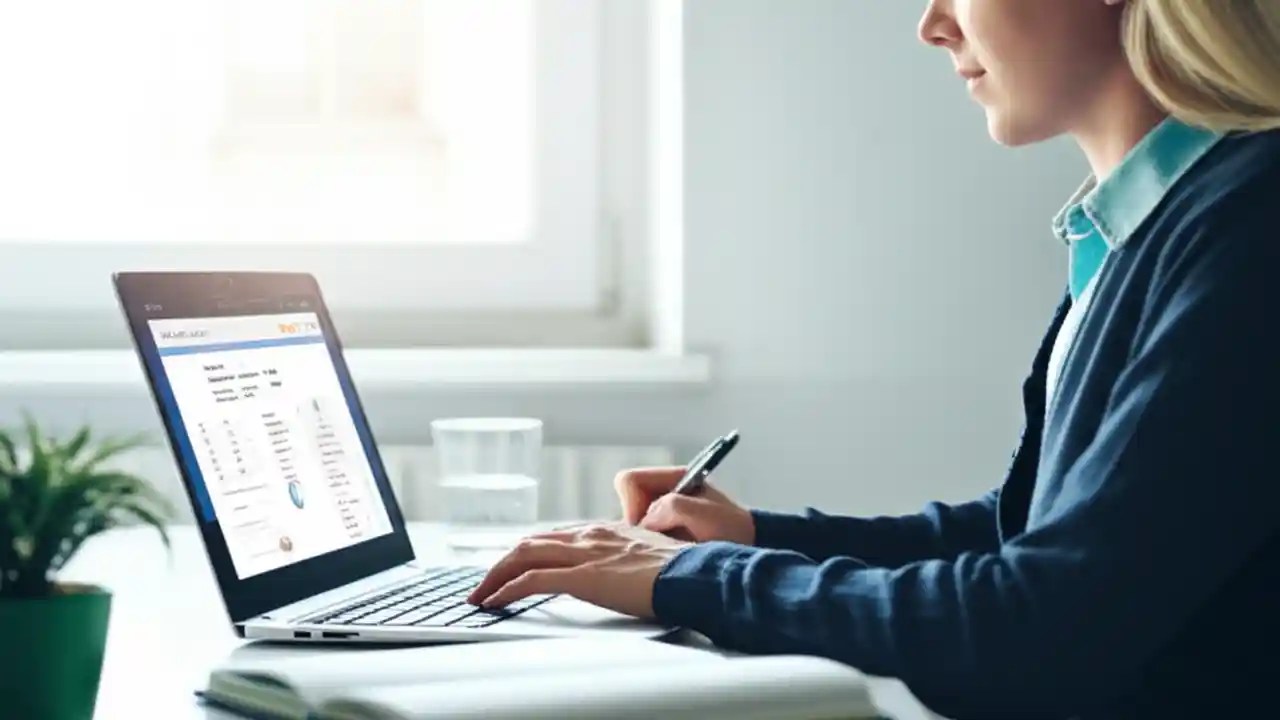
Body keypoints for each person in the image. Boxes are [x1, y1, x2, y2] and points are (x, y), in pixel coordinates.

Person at [468, 1, 1280, 717]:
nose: (933, 24)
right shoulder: (1155, 226)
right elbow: (1028, 531)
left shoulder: (1250, 230)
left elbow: (1045, 625)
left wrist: (691, 578)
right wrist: (750, 537)